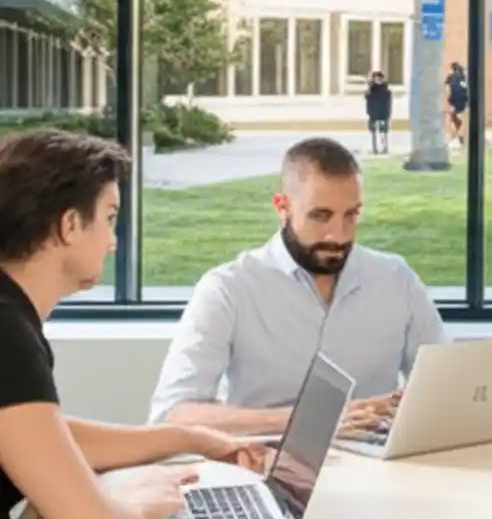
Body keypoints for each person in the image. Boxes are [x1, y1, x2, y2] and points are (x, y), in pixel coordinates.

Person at [0, 130, 269, 519]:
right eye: (109, 217)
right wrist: (145, 503)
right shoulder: (7, 335)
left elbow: (42, 437)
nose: (113, 242)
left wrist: (190, 438)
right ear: (70, 225)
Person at [149, 137, 449, 435]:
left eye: (351, 215)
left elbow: (447, 386)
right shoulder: (228, 289)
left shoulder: (396, 280)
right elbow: (173, 414)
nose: (338, 235)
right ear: (282, 207)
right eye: (321, 216)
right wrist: (317, 419)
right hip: (264, 465)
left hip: (378, 467)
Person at [364, 71, 391, 155]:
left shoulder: (386, 91)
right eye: (375, 78)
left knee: (383, 132)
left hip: (383, 114)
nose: (377, 80)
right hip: (373, 114)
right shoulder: (371, 90)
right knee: (373, 132)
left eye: (379, 78)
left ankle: (384, 147)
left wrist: (387, 113)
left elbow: (388, 104)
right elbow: (368, 101)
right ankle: (375, 148)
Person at [445, 62, 468, 148]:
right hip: (463, 101)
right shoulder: (463, 77)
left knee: (449, 118)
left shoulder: (450, 78)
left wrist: (448, 103)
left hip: (454, 101)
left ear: (452, 69)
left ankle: (450, 137)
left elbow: (448, 90)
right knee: (457, 119)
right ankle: (460, 135)